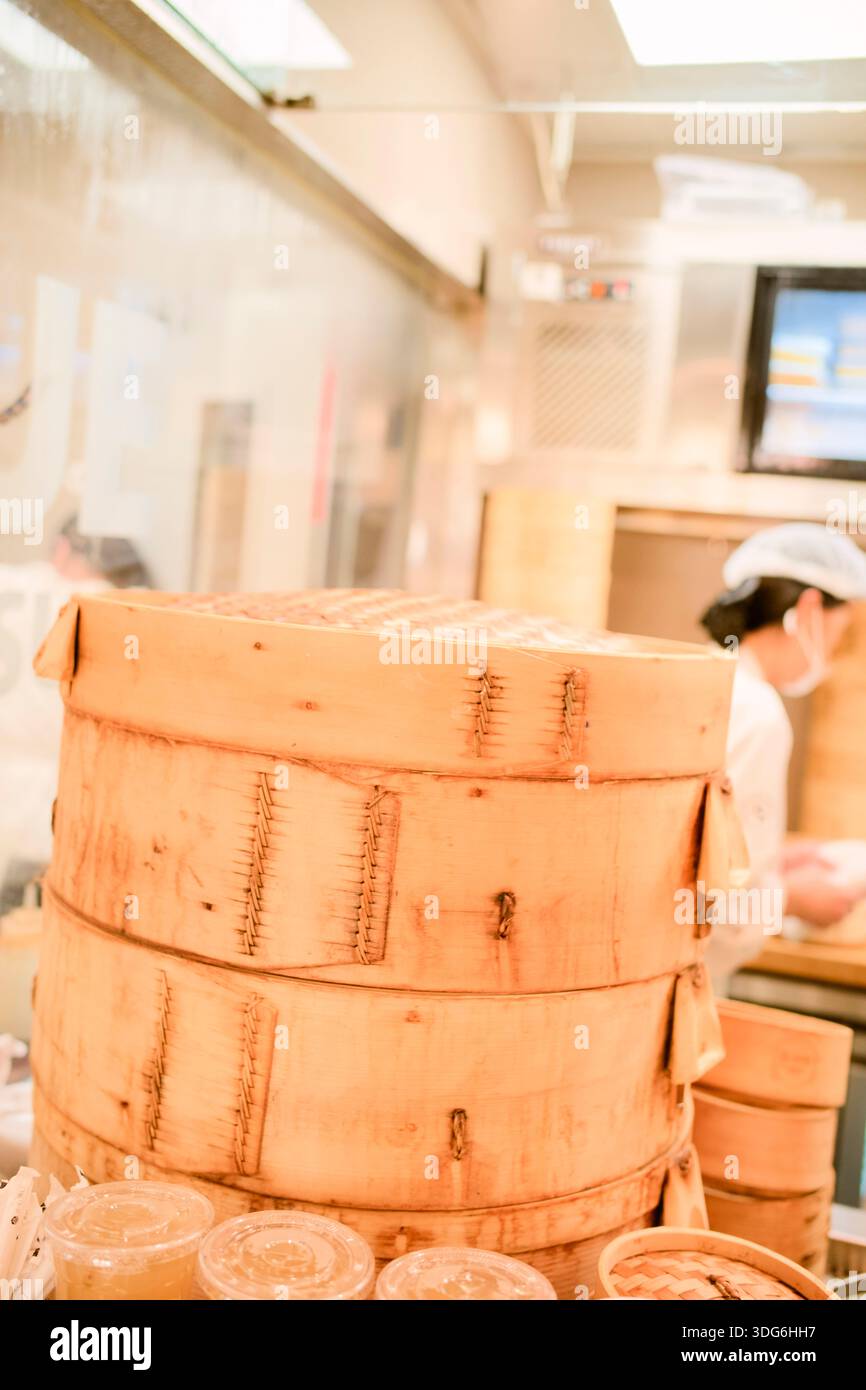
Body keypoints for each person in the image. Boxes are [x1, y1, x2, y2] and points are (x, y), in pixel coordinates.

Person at [700, 522, 866, 988]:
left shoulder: (706, 680)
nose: (831, 654)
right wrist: (793, 898)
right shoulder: (758, 713)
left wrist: (777, 861)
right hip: (686, 982)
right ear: (809, 609)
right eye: (838, 634)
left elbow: (703, 855)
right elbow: (710, 905)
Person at [0, 519, 150, 910]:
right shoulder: (128, 609)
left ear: (65, 550)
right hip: (72, 803)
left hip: (24, 795)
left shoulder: (21, 590)